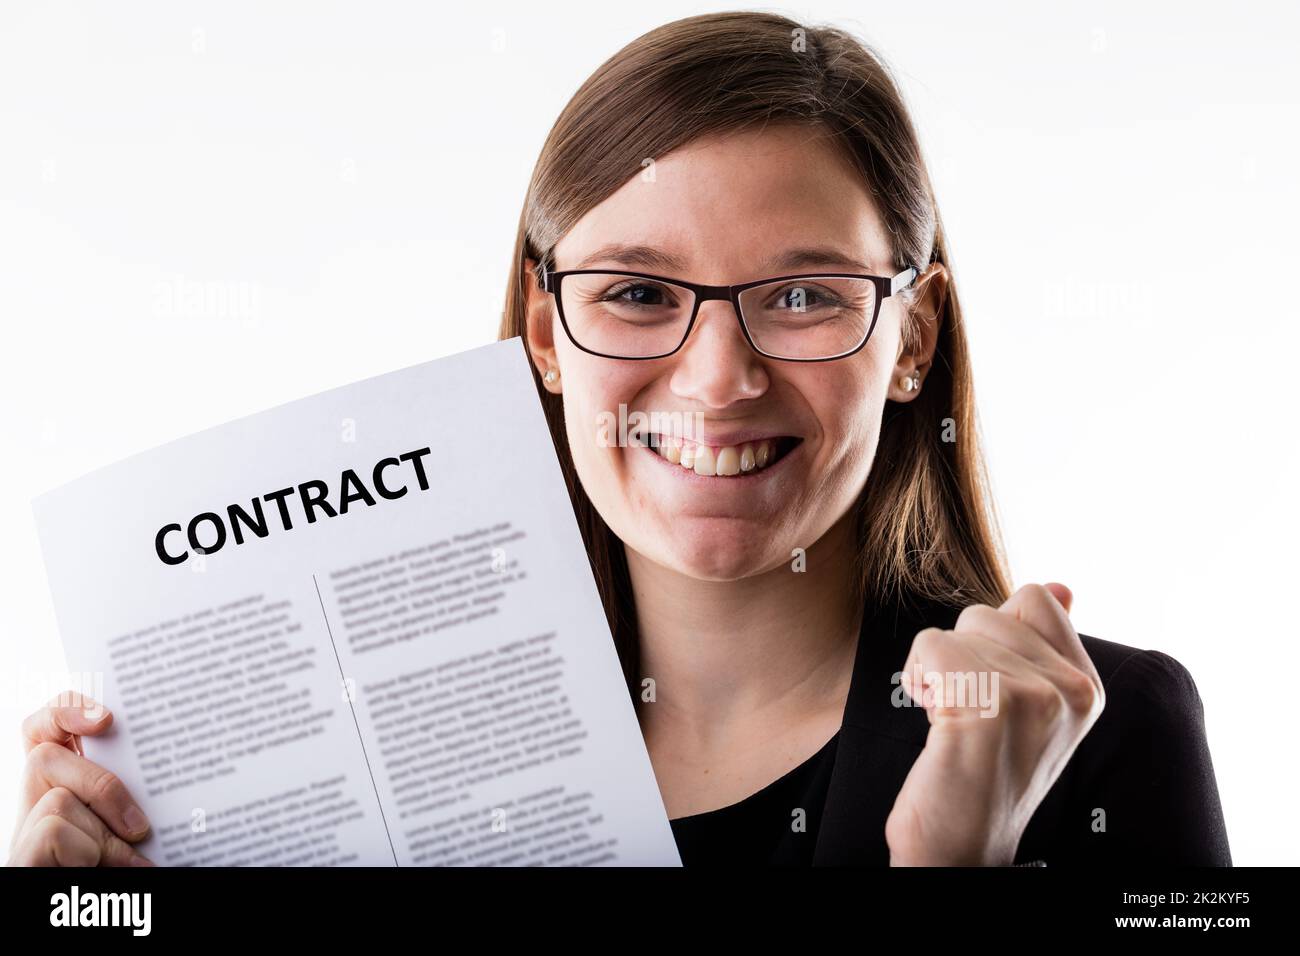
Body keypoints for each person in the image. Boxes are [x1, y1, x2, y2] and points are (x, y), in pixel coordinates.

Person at [9, 11, 1230, 867]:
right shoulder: (346, 772)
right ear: (545, 332)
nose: (719, 377)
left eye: (804, 294)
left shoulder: (1109, 733)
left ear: (910, 338)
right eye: (638, 293)